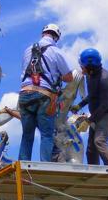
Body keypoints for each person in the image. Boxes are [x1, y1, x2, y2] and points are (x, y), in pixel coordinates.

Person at [18, 24, 74, 162]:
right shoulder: (56, 51)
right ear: (55, 37)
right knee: (46, 134)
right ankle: (45, 164)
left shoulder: (27, 51)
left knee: (27, 135)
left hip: (25, 93)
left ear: (43, 34)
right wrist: (57, 75)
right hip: (45, 95)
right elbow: (69, 77)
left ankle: (23, 166)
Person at [72, 48, 108, 166]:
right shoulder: (90, 76)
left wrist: (88, 121)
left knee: (99, 141)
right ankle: (94, 174)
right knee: (91, 150)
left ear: (89, 67)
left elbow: (104, 105)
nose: (81, 68)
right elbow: (92, 95)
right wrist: (79, 105)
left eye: (82, 66)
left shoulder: (105, 79)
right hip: (96, 114)